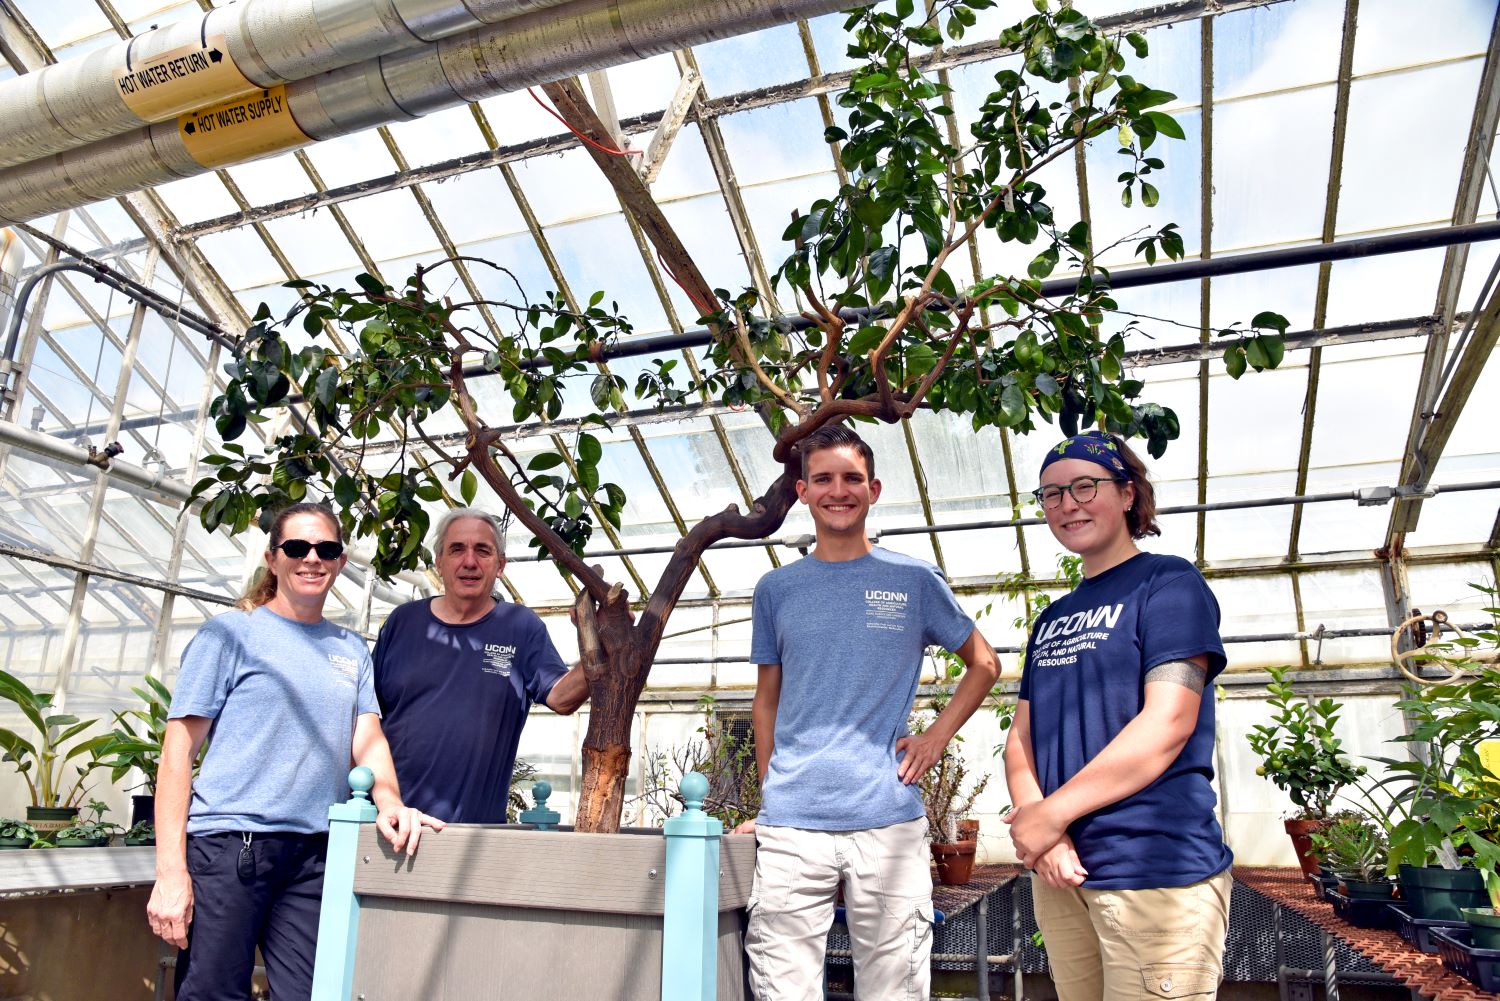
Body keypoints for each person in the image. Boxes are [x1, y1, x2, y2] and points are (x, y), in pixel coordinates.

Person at [736, 424, 1001, 1001]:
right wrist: (771, 797)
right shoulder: (775, 589)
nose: (839, 490)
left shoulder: (912, 580)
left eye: (852, 478)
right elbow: (767, 701)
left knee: (895, 987)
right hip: (793, 826)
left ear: (874, 489)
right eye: (823, 478)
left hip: (888, 820)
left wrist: (934, 738)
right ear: (802, 491)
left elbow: (984, 663)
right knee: (782, 988)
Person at [148, 502, 443, 1000]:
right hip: (229, 848)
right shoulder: (229, 635)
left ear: (341, 561)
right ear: (272, 557)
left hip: (314, 855)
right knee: (213, 993)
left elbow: (367, 737)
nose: (312, 558)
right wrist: (171, 873)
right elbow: (177, 755)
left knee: (314, 991)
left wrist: (390, 801)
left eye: (326, 549)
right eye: (297, 548)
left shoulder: (350, 649)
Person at [1003, 429, 1233, 1001]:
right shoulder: (1052, 616)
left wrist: (1050, 814)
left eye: (1085, 486)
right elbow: (1021, 737)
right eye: (1052, 495)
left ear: (1129, 494)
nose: (1068, 505)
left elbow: (1168, 723)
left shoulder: (1169, 584)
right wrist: (1046, 834)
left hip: (1153, 869)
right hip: (1062, 871)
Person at [373, 507, 589, 823]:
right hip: (390, 819)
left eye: (483, 551)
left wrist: (604, 649)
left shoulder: (520, 627)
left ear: (500, 565)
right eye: (457, 549)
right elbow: (365, 717)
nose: (470, 562)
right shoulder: (403, 622)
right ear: (439, 562)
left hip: (472, 831)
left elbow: (561, 696)